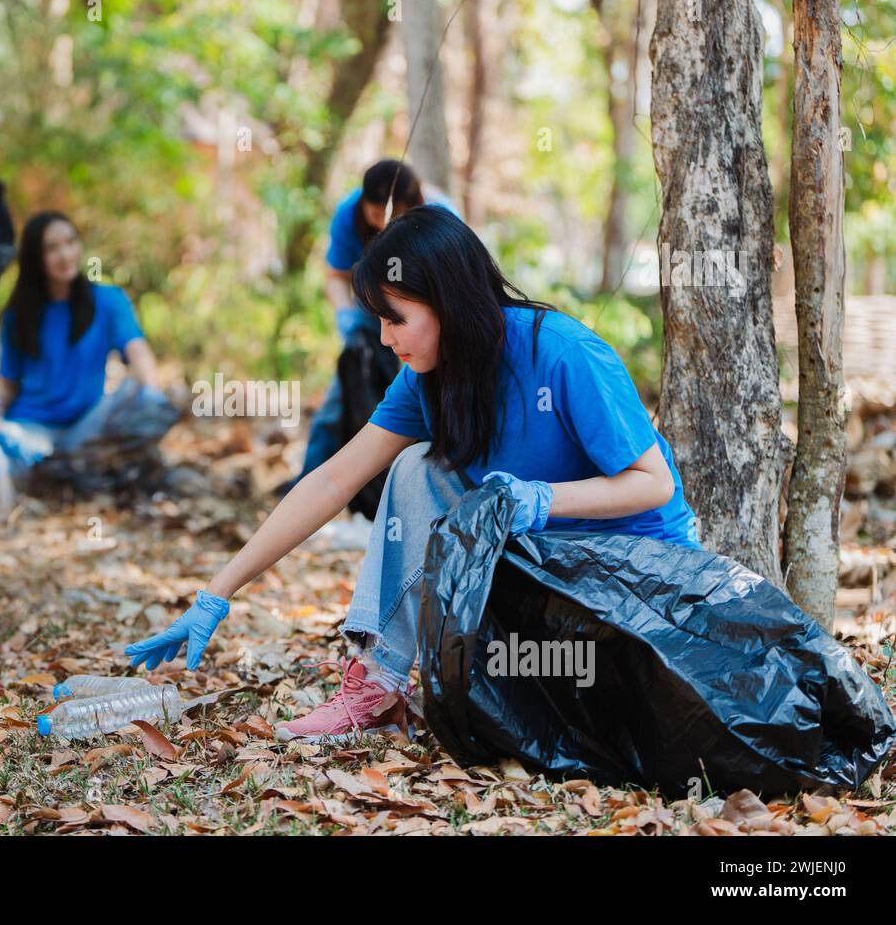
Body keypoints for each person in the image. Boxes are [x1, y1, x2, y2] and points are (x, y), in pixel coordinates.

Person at [127, 206, 703, 742]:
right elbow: (333, 482)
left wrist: (537, 500)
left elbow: (653, 484)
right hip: (540, 568)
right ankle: (378, 680)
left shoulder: (563, 352)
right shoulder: (428, 376)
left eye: (395, 318)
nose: (384, 337)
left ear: (447, 301)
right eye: (378, 319)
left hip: (636, 572)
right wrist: (216, 593)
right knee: (417, 467)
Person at [0, 211, 169, 497]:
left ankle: (61, 469)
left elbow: (138, 354)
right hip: (31, 429)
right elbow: (8, 383)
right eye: (52, 248)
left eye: (71, 242)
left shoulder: (108, 301)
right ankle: (47, 469)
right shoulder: (17, 314)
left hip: (86, 426)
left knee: (140, 395)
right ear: (35, 257)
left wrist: (150, 391)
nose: (65, 254)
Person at [285, 159, 461, 492]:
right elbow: (336, 276)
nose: (381, 223)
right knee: (342, 395)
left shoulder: (440, 216)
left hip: (433, 316)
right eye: (375, 213)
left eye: (391, 214)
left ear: (412, 206)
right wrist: (346, 315)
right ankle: (308, 480)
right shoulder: (347, 214)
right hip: (369, 309)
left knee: (435, 399)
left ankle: (431, 485)